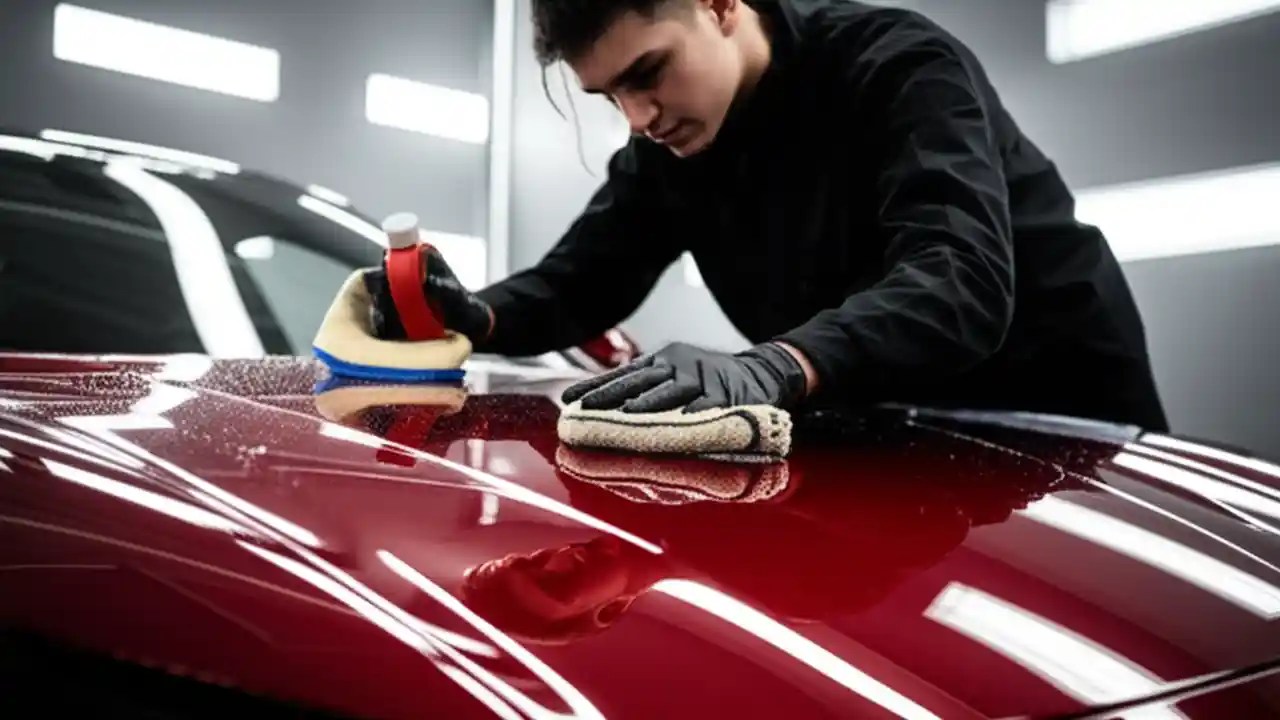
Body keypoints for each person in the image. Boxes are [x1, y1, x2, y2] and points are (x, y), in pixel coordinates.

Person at [368, 0, 1169, 430]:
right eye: (610, 96)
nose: (639, 116)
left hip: (1071, 429)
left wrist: (778, 365)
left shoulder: (899, 67)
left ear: (720, 3)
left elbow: (955, 278)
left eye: (649, 72)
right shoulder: (668, 150)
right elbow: (583, 279)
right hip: (894, 436)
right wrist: (475, 316)